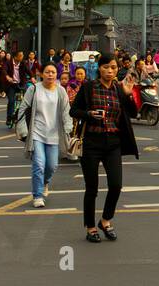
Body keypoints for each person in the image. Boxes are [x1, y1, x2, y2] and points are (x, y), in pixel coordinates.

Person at [70, 53, 140, 242]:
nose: (110, 71)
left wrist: (128, 94)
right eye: (106, 67)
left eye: (114, 68)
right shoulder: (88, 87)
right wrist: (90, 114)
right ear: (99, 68)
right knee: (92, 188)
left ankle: (106, 220)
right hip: (92, 142)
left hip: (113, 143)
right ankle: (91, 227)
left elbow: (134, 113)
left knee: (116, 185)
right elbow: (73, 111)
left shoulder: (119, 88)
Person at [16, 62, 74, 209]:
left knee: (52, 165)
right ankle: (37, 196)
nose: (50, 75)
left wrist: (68, 128)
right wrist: (23, 131)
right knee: (39, 164)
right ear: (41, 74)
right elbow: (23, 109)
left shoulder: (61, 91)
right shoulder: (34, 89)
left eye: (53, 72)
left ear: (57, 74)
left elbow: (66, 112)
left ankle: (45, 182)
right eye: (47, 72)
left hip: (54, 134)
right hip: (37, 133)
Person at [3, 51, 24, 126]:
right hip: (11, 85)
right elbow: (4, 70)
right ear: (15, 57)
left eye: (22, 55)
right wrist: (7, 77)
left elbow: (28, 70)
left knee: (26, 101)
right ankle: (9, 118)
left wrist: (32, 77)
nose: (22, 57)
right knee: (11, 101)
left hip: (20, 85)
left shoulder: (23, 63)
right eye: (21, 55)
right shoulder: (8, 63)